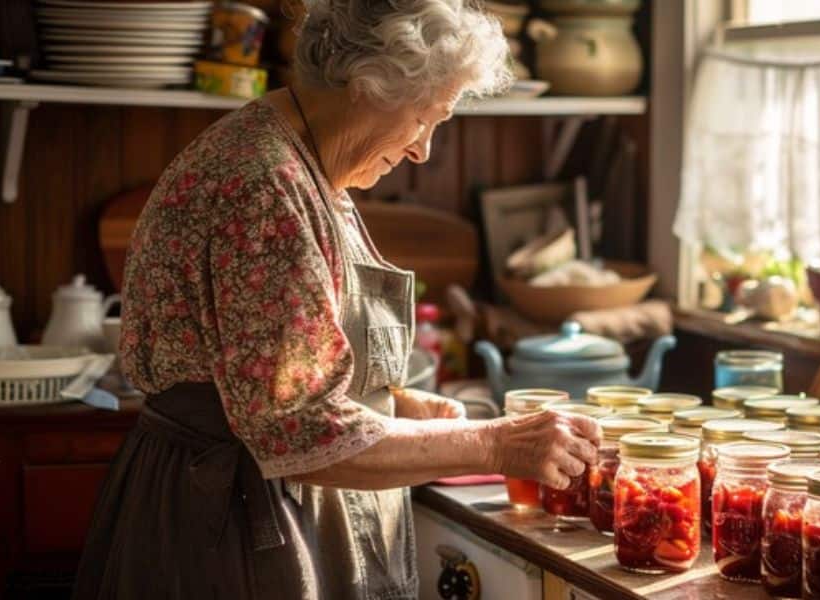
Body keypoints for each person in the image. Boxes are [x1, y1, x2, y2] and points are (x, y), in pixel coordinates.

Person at [72, 1, 601, 598]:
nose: (423, 150)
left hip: (247, 505)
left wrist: (390, 407)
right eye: (428, 117)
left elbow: (275, 374)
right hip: (232, 534)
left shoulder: (302, 163)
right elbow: (302, 431)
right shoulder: (263, 187)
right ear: (369, 85)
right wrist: (497, 443)